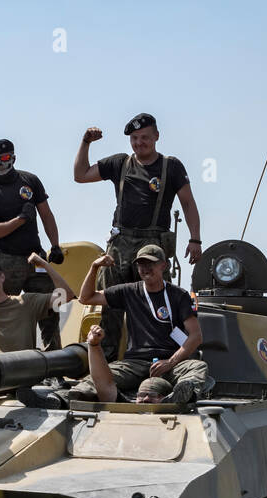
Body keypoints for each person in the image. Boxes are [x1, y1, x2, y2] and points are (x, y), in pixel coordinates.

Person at [73, 113, 202, 359]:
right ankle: (108, 359)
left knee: (156, 300)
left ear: (156, 137)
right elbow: (80, 175)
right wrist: (85, 142)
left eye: (144, 137)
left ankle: (162, 356)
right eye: (134, 138)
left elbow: (187, 202)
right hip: (120, 245)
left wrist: (195, 239)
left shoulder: (171, 166)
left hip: (153, 245)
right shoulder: (120, 163)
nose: (139, 143)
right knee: (110, 303)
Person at [66, 245, 209, 404]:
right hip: (134, 363)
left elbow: (195, 336)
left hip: (170, 363)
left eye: (151, 263)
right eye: (141, 264)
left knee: (198, 367)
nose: (145, 268)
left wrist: (170, 362)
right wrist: (94, 267)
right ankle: (68, 397)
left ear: (164, 265)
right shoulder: (129, 292)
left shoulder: (179, 295)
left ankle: (181, 396)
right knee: (99, 376)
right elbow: (86, 298)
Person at [0, 138, 64, 295]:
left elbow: (47, 215)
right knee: (5, 311)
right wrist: (20, 220)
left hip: (35, 256)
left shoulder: (30, 180)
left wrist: (55, 245)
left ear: (13, 158)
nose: (0, 163)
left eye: (4, 158)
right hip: (5, 259)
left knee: (50, 306)